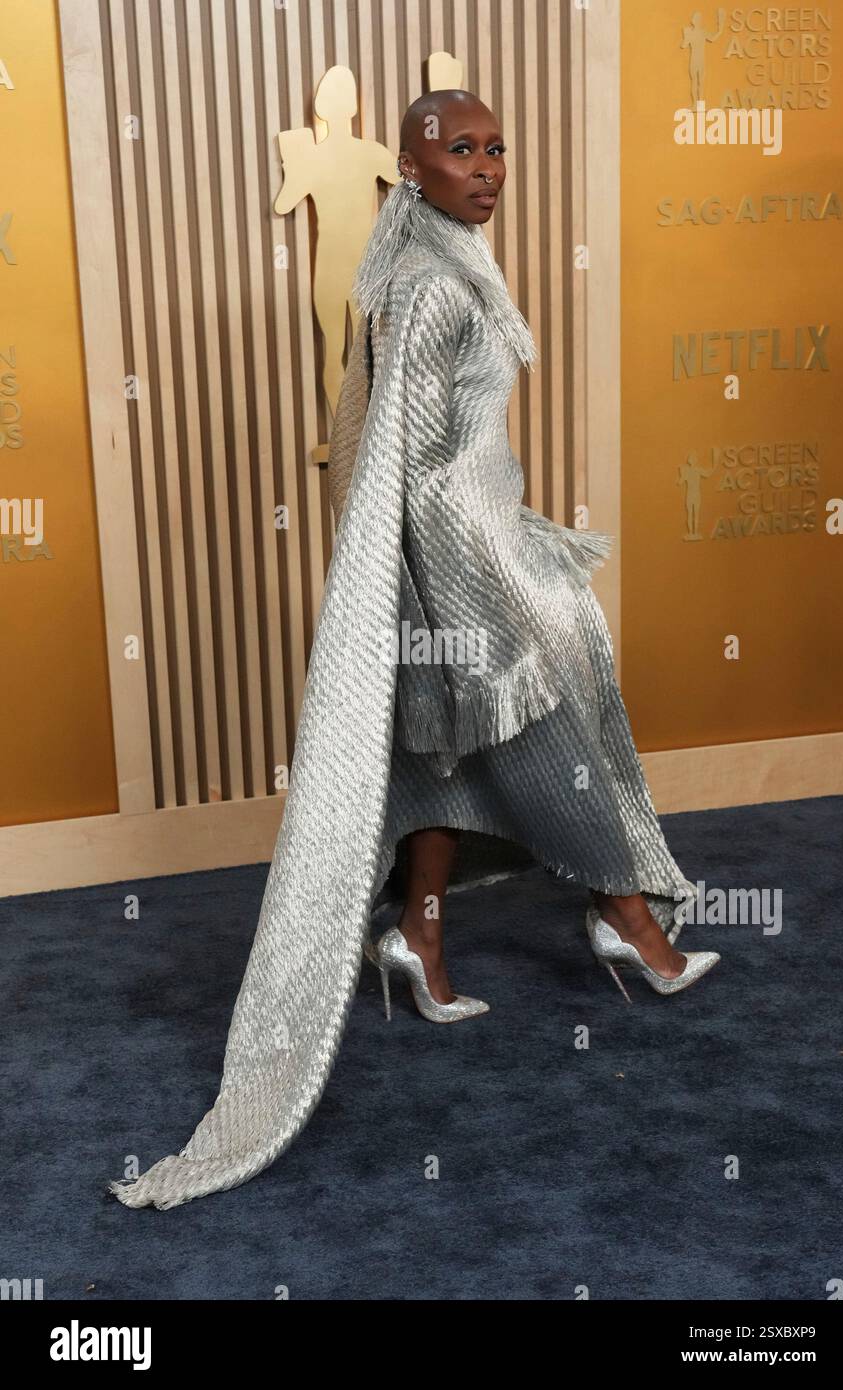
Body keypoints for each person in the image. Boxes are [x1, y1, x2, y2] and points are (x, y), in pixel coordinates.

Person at [107, 89, 718, 1212]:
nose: (484, 167)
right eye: (459, 150)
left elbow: (436, 451)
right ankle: (626, 918)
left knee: (438, 754)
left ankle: (419, 945)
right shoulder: (430, 286)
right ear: (409, 166)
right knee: (555, 730)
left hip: (472, 547)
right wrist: (476, 593)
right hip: (460, 565)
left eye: (495, 148)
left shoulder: (445, 264)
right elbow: (420, 479)